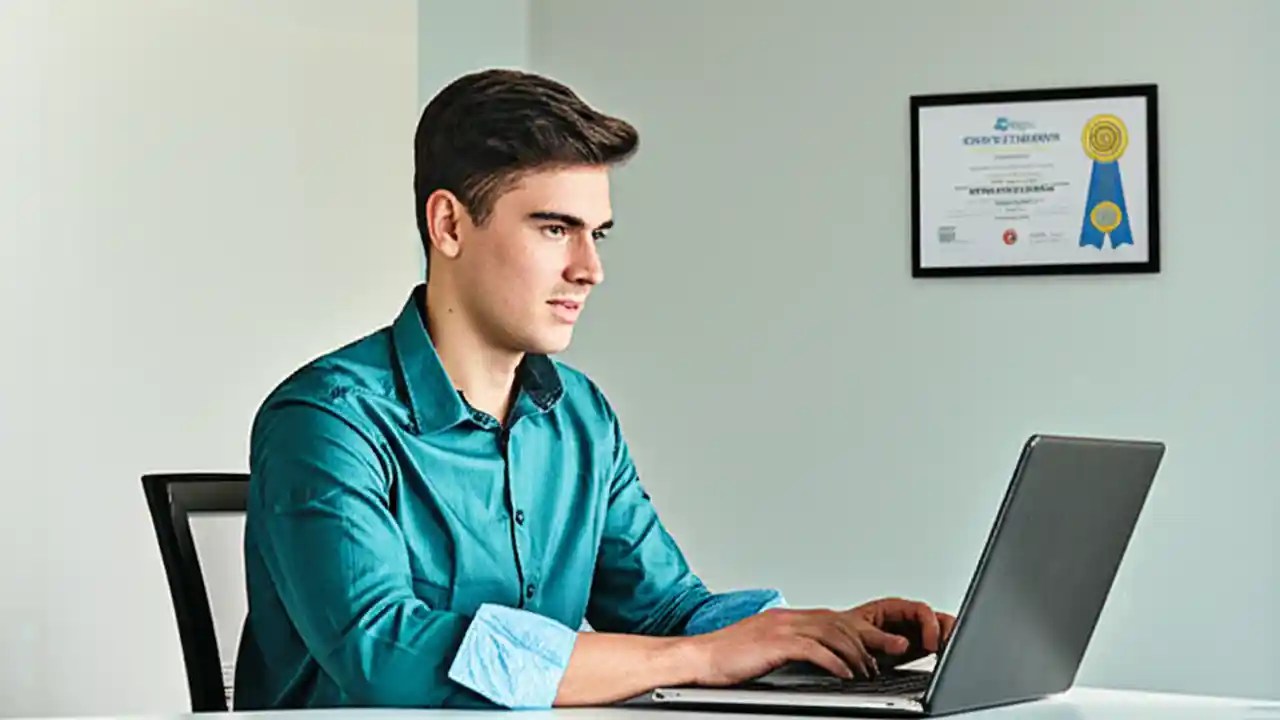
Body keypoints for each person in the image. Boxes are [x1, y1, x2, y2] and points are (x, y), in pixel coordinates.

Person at [232, 68, 954, 711]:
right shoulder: (326, 420)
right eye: (555, 228)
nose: (589, 269)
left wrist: (801, 639)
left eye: (597, 235)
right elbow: (387, 655)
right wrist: (699, 658)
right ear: (448, 223)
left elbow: (663, 609)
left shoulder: (578, 417)